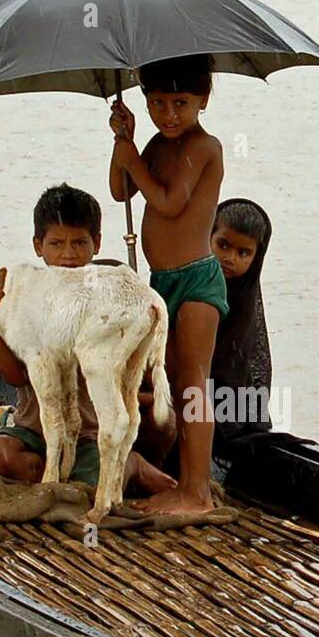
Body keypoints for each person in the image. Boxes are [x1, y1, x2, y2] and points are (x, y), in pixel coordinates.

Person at [0, 183, 176, 497]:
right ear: (38, 246)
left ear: (96, 243)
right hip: (34, 430)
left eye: (79, 242)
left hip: (90, 437)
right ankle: (59, 478)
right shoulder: (27, 296)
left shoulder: (108, 296)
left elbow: (139, 372)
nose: (68, 255)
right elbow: (16, 376)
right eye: (56, 243)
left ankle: (128, 464)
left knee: (99, 477)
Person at [109, 54, 226, 515]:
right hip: (162, 284)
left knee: (194, 383)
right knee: (174, 385)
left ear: (203, 100)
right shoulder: (157, 144)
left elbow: (170, 202)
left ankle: (197, 492)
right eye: (158, 102)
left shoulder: (205, 146)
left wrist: (134, 159)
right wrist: (125, 141)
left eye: (181, 102)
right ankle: (182, 480)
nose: (169, 114)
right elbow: (122, 190)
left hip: (197, 281)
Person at [209, 198, 273, 453]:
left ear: (256, 258)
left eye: (243, 253)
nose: (229, 258)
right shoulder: (194, 290)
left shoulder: (247, 299)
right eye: (222, 245)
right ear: (208, 237)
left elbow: (257, 365)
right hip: (187, 397)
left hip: (233, 409)